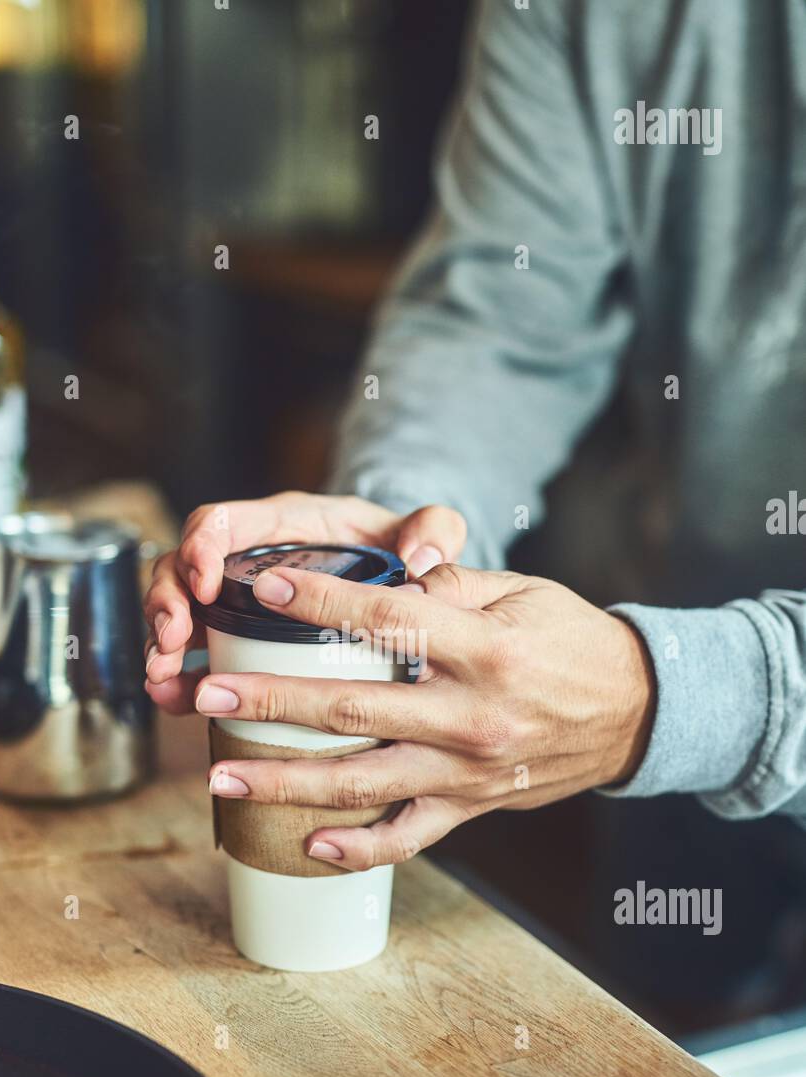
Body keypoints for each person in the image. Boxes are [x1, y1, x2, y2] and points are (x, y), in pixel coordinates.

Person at [145, 0, 806, 1020]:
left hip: (674, 697)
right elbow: (500, 313)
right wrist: (407, 534)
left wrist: (682, 695)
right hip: (675, 758)